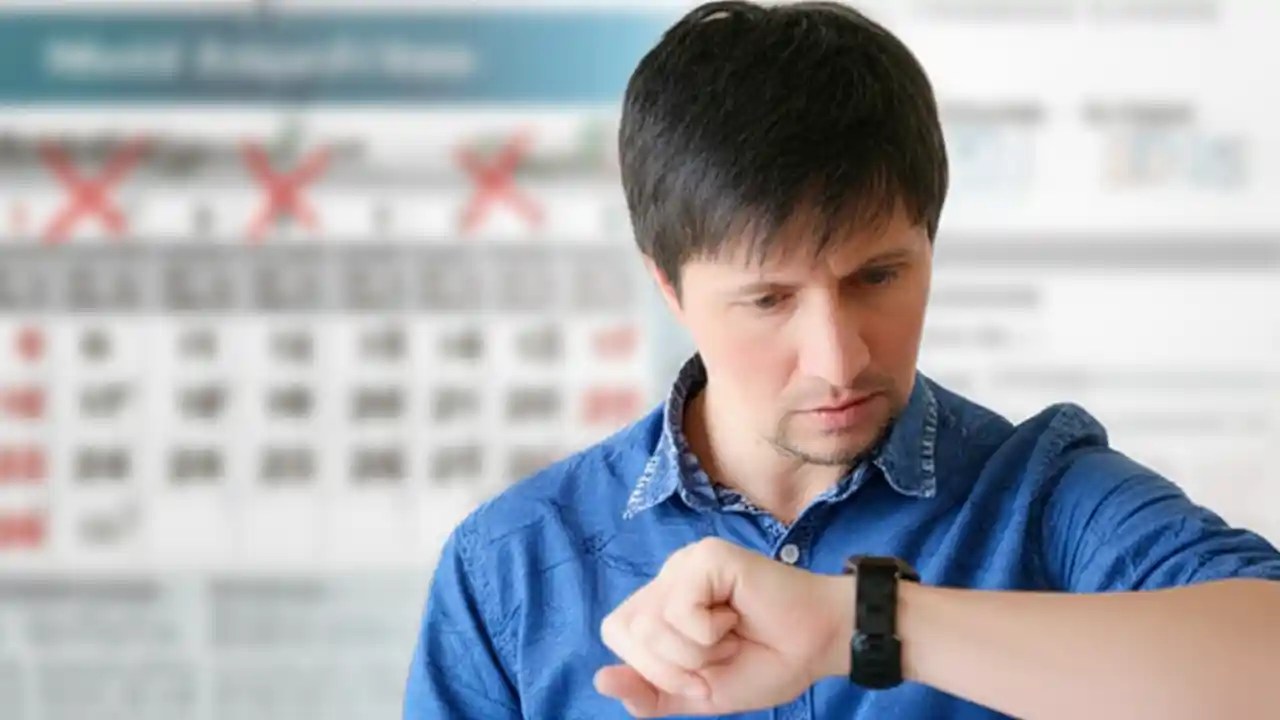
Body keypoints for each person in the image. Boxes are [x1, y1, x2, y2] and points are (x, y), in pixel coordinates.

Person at [403, 2, 1280, 718]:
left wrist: (859, 624)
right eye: (768, 300)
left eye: (878, 276)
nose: (839, 358)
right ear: (667, 286)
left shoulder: (1039, 499)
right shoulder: (511, 567)